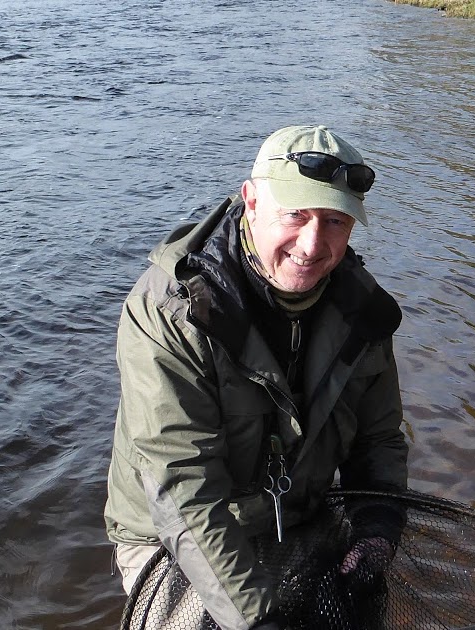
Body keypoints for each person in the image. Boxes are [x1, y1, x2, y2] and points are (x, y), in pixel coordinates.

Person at [104, 125, 409, 630]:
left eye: (335, 221)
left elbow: (378, 439)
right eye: (296, 215)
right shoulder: (172, 312)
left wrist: (377, 530)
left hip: (297, 514)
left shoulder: (365, 314)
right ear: (250, 200)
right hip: (173, 536)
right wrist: (258, 619)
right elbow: (184, 490)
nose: (312, 245)